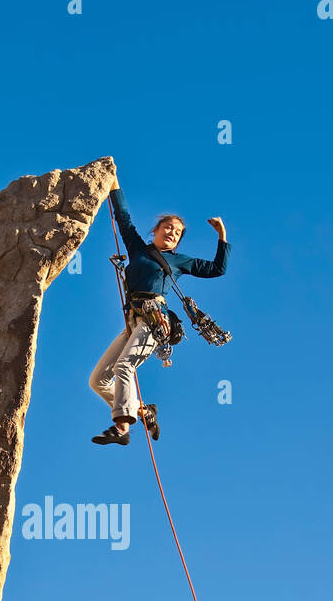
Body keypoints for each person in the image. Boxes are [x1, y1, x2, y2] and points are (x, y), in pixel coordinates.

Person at [89, 169, 231, 445]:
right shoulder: (138, 249)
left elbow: (217, 269)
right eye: (168, 227)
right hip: (133, 321)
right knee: (98, 381)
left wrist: (222, 235)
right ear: (155, 230)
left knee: (124, 368)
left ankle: (121, 428)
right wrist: (113, 181)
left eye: (177, 233)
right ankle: (143, 411)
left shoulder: (178, 262)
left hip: (156, 321)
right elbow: (124, 218)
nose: (172, 233)